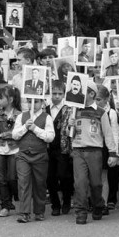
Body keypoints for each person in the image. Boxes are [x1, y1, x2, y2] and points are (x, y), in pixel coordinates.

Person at [71, 84, 119, 225]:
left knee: (96, 183)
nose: (80, 93)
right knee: (80, 183)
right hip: (78, 150)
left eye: (84, 91)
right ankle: (80, 211)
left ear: (91, 94)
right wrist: (69, 125)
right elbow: (69, 133)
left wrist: (112, 153)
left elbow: (108, 134)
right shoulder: (75, 111)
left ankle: (98, 204)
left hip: (95, 151)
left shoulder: (101, 112)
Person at [12, 97, 55, 223]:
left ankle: (39, 210)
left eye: (36, 101)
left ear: (42, 103)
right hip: (23, 155)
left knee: (39, 183)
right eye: (30, 101)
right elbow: (15, 135)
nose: (33, 104)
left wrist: (35, 129)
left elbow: (50, 137)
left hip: (40, 155)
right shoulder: (21, 116)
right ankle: (24, 212)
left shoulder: (46, 117)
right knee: (23, 182)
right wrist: (26, 127)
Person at [0, 86, 20, 217]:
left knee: (12, 178)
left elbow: (17, 133)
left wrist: (6, 134)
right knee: (1, 179)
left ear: (11, 99)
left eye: (1, 98)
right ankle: (5, 205)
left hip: (13, 147)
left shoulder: (19, 114)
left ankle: (16, 198)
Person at [46, 80, 74, 216]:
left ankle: (67, 200)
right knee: (49, 178)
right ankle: (55, 204)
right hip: (48, 148)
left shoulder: (68, 109)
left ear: (64, 94)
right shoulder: (45, 109)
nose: (56, 96)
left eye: (59, 94)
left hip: (62, 148)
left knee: (64, 175)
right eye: (54, 93)